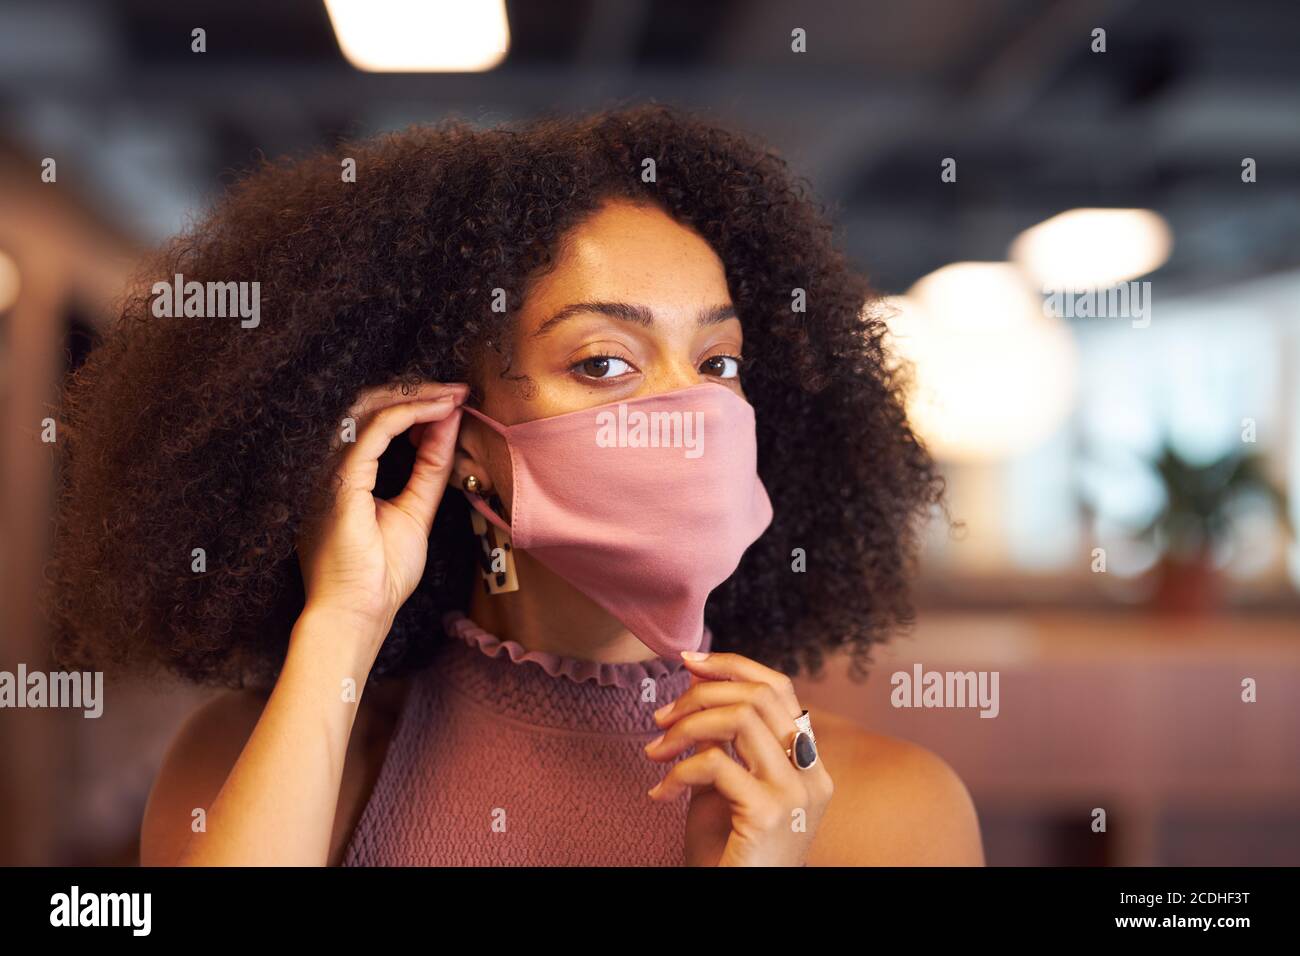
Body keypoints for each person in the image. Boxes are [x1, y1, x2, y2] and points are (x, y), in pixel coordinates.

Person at [48, 105, 983, 866]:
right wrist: (341, 623)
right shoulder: (265, 760)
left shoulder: (887, 811)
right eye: (607, 362)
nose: (685, 409)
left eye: (719, 362)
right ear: (457, 436)